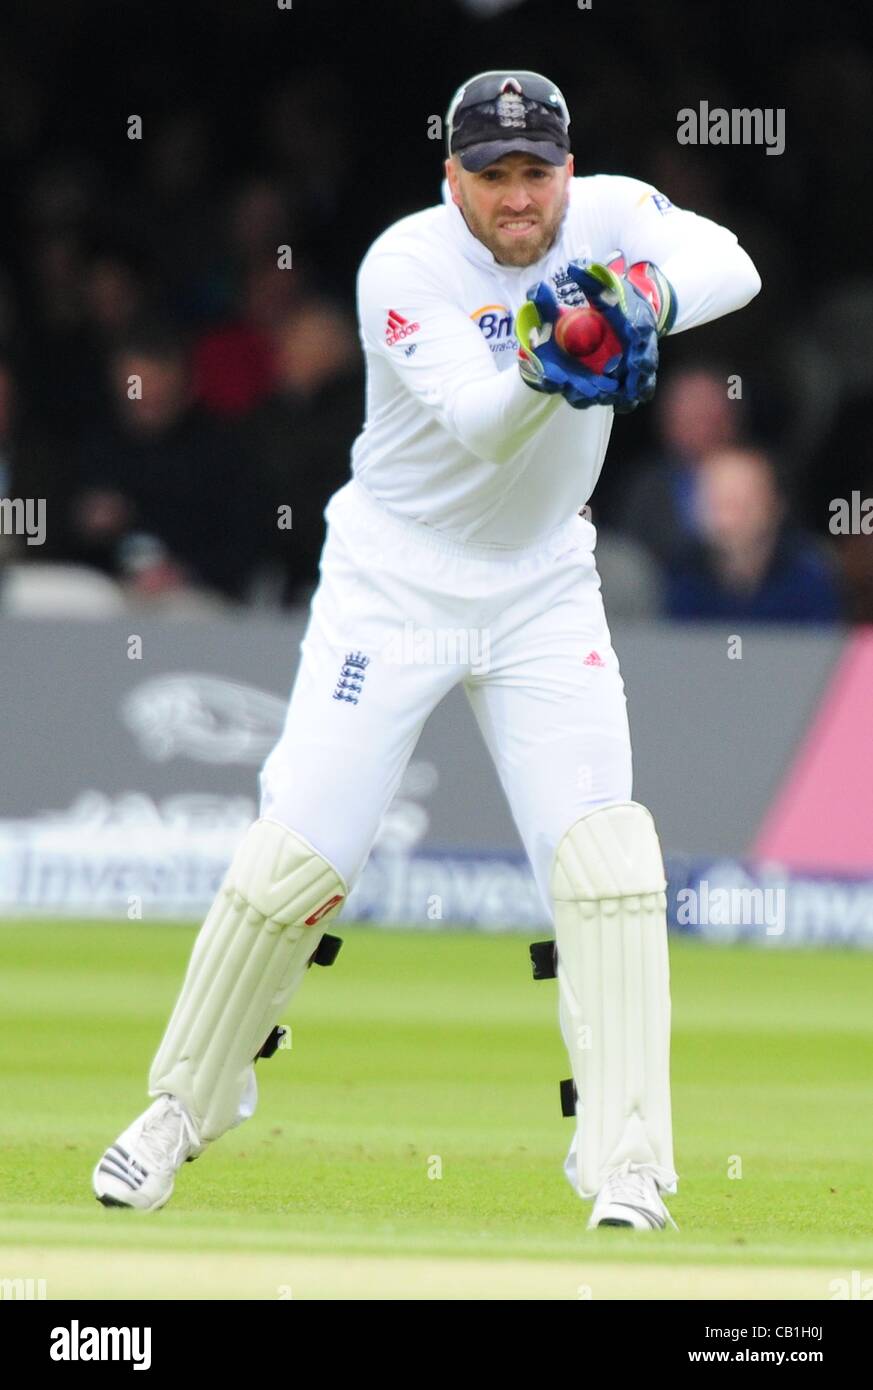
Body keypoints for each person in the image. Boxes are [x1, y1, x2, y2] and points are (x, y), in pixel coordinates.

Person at [93, 71, 760, 1230]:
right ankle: (182, 1107)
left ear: (567, 168)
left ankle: (628, 1160)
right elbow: (479, 419)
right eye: (492, 173)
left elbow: (734, 265)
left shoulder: (606, 215)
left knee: (609, 865)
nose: (517, 196)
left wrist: (633, 295)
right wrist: (562, 349)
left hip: (544, 583)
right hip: (393, 586)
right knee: (292, 866)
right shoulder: (402, 266)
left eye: (535, 171)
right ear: (450, 174)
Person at [665, 447, 843, 623]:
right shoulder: (677, 577)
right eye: (716, 500)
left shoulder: (811, 577)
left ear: (777, 505)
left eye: (742, 500)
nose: (728, 515)